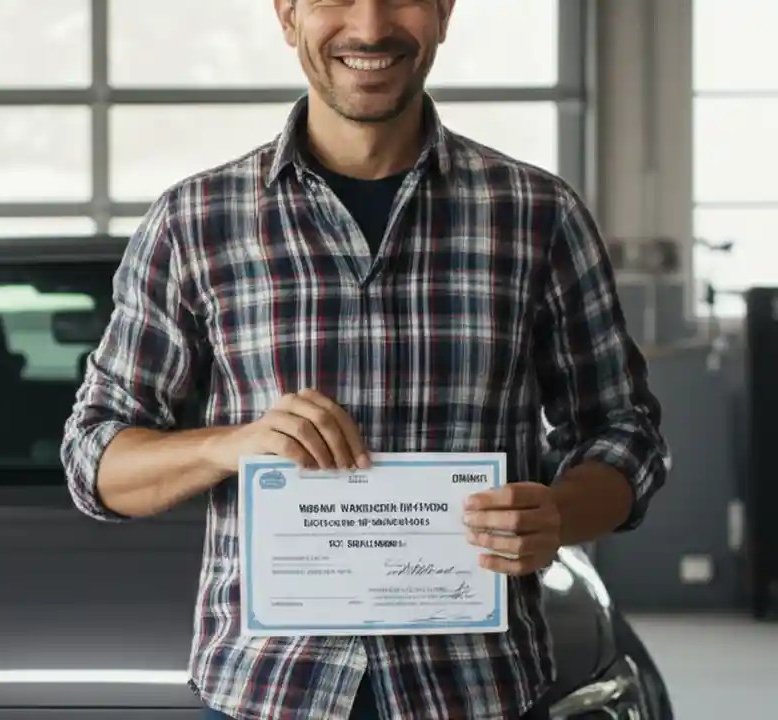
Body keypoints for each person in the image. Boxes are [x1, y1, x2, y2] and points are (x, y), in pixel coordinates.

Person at [61, 0, 671, 717]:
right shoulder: (194, 222)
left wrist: (559, 515)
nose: (372, 26)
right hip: (270, 692)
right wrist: (234, 446)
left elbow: (626, 434)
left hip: (478, 690)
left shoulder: (538, 214)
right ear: (287, 16)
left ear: (445, 12)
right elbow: (94, 461)